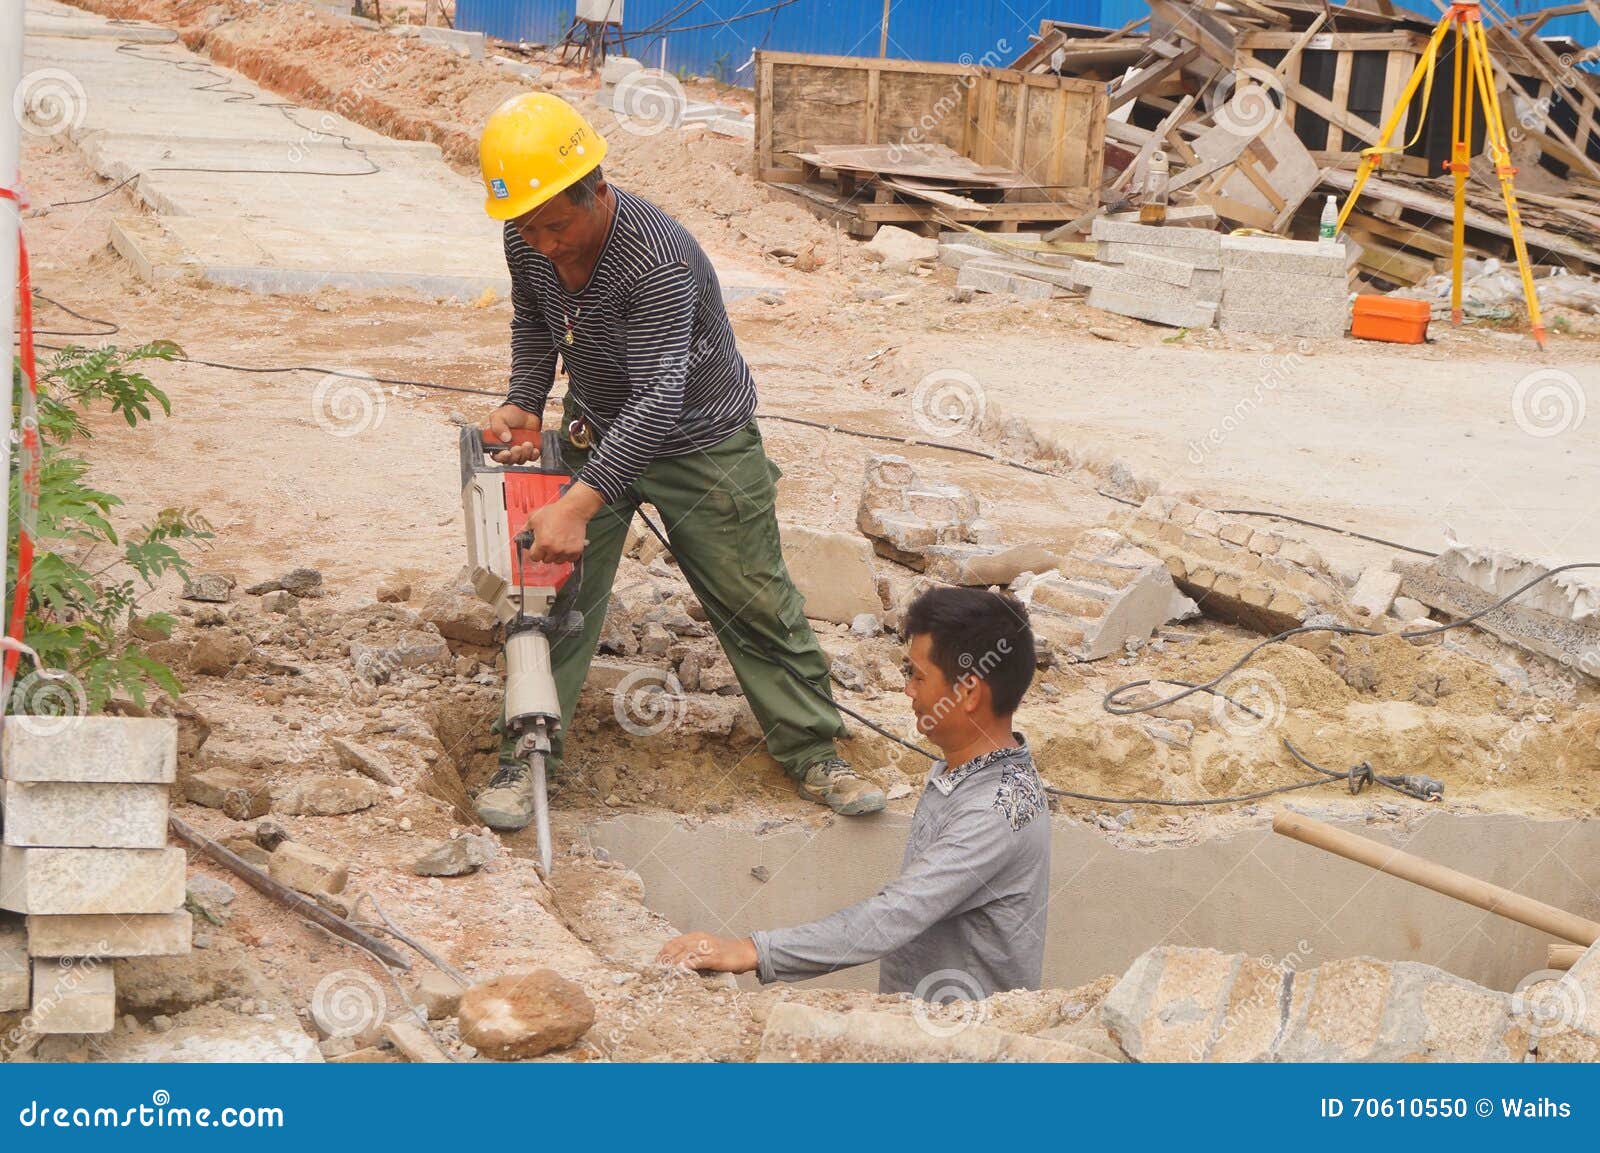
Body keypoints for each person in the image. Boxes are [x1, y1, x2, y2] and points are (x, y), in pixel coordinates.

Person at [470, 93, 884, 830]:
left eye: (556, 226)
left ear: (597, 189)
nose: (544, 244)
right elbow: (534, 319)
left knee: (755, 600)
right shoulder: (527, 232)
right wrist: (525, 401)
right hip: (597, 428)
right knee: (549, 595)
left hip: (702, 441)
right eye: (527, 229)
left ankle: (815, 749)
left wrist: (578, 502)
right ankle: (527, 751)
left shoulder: (655, 259)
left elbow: (660, 400)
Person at [656, 587, 1051, 998]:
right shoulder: (965, 770)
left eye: (918, 676)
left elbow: (896, 915)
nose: (908, 691)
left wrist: (751, 950)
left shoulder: (995, 812)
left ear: (968, 692)